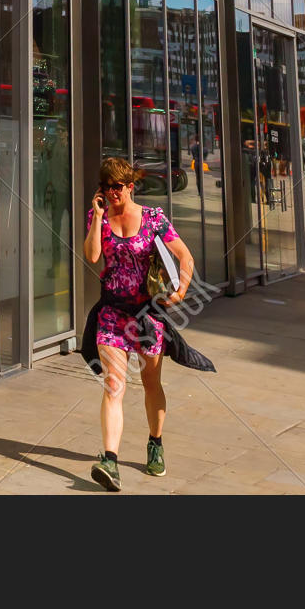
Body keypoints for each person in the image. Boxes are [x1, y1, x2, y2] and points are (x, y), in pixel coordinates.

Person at [83, 156, 211, 492]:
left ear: (129, 186)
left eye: (117, 187)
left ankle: (155, 443)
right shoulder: (99, 218)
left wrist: (182, 290)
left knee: (150, 383)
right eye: (106, 186)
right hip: (112, 313)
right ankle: (110, 460)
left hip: (147, 316)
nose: (111, 193)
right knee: (114, 385)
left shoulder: (154, 218)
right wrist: (97, 218)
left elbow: (184, 256)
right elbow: (92, 257)